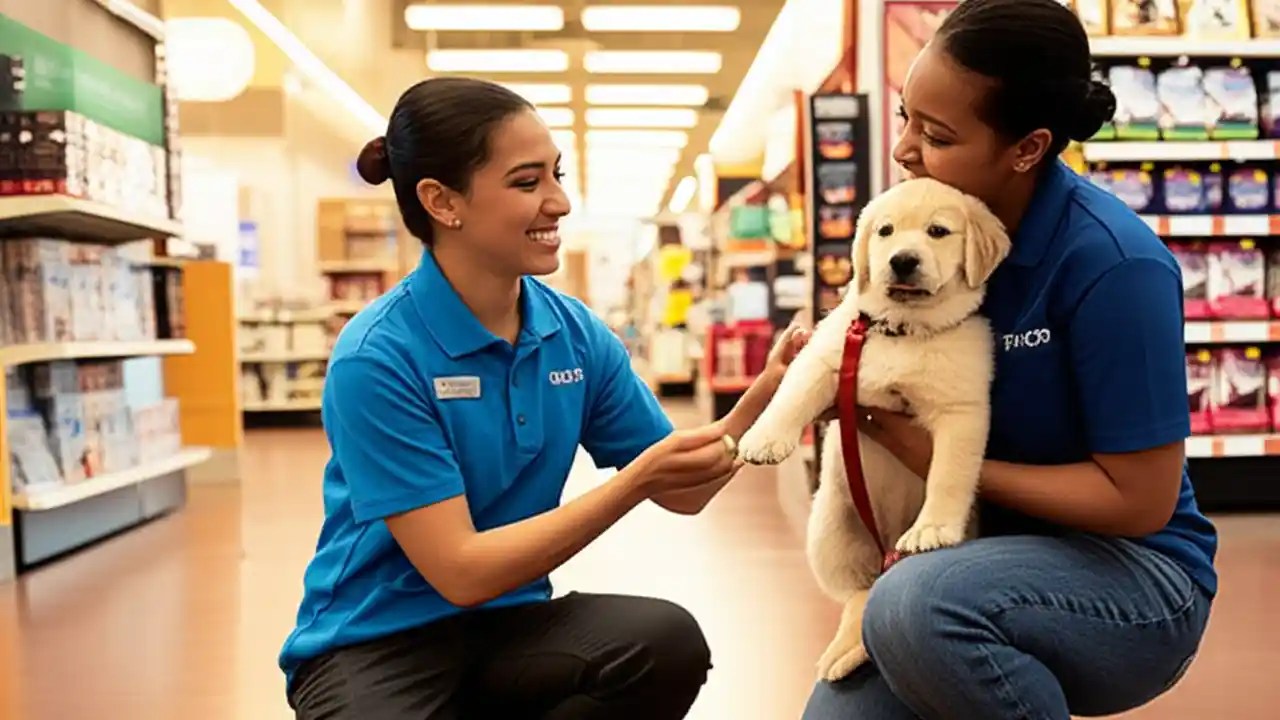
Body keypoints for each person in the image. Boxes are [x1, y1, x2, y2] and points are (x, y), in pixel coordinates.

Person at [278, 76, 802, 720]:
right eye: (528, 183)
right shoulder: (378, 356)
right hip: (372, 642)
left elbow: (683, 490)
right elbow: (461, 571)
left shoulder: (573, 334)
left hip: (508, 627)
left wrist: (771, 398)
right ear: (443, 202)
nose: (559, 202)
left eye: (556, 175)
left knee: (663, 643)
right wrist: (632, 482)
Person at [802, 1, 1218, 718]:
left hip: (1136, 580)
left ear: (1026, 148)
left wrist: (940, 459)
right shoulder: (929, 239)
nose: (903, 149)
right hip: (974, 552)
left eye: (934, 135)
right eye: (906, 117)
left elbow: (1142, 500)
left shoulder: (1114, 267)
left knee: (916, 605)